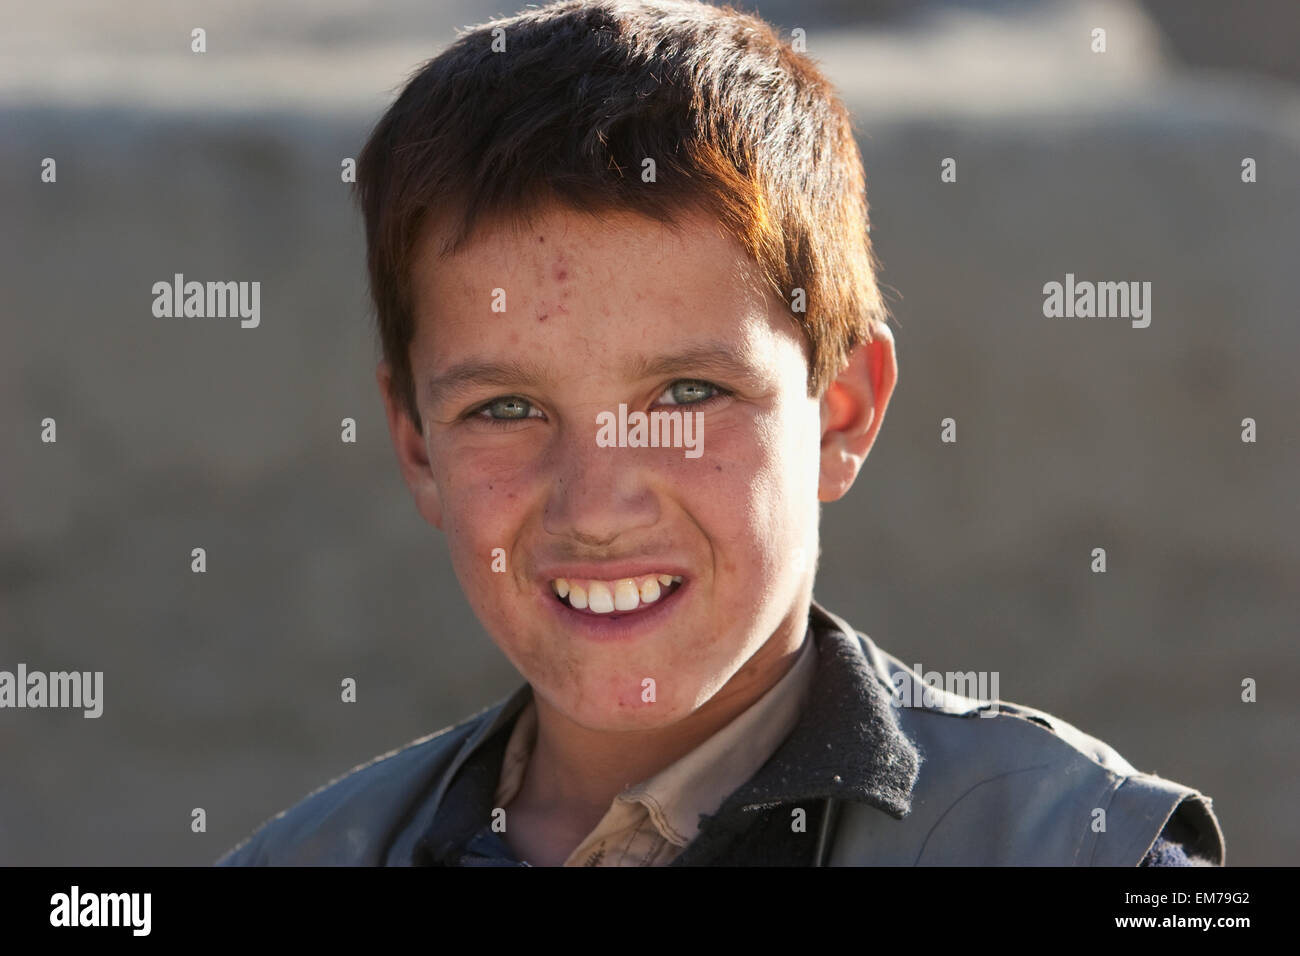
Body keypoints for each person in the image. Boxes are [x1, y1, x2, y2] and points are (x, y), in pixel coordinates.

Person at [218, 0, 1224, 866]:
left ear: (842, 411)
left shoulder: (1076, 845)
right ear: (416, 443)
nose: (596, 504)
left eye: (686, 393)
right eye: (507, 409)